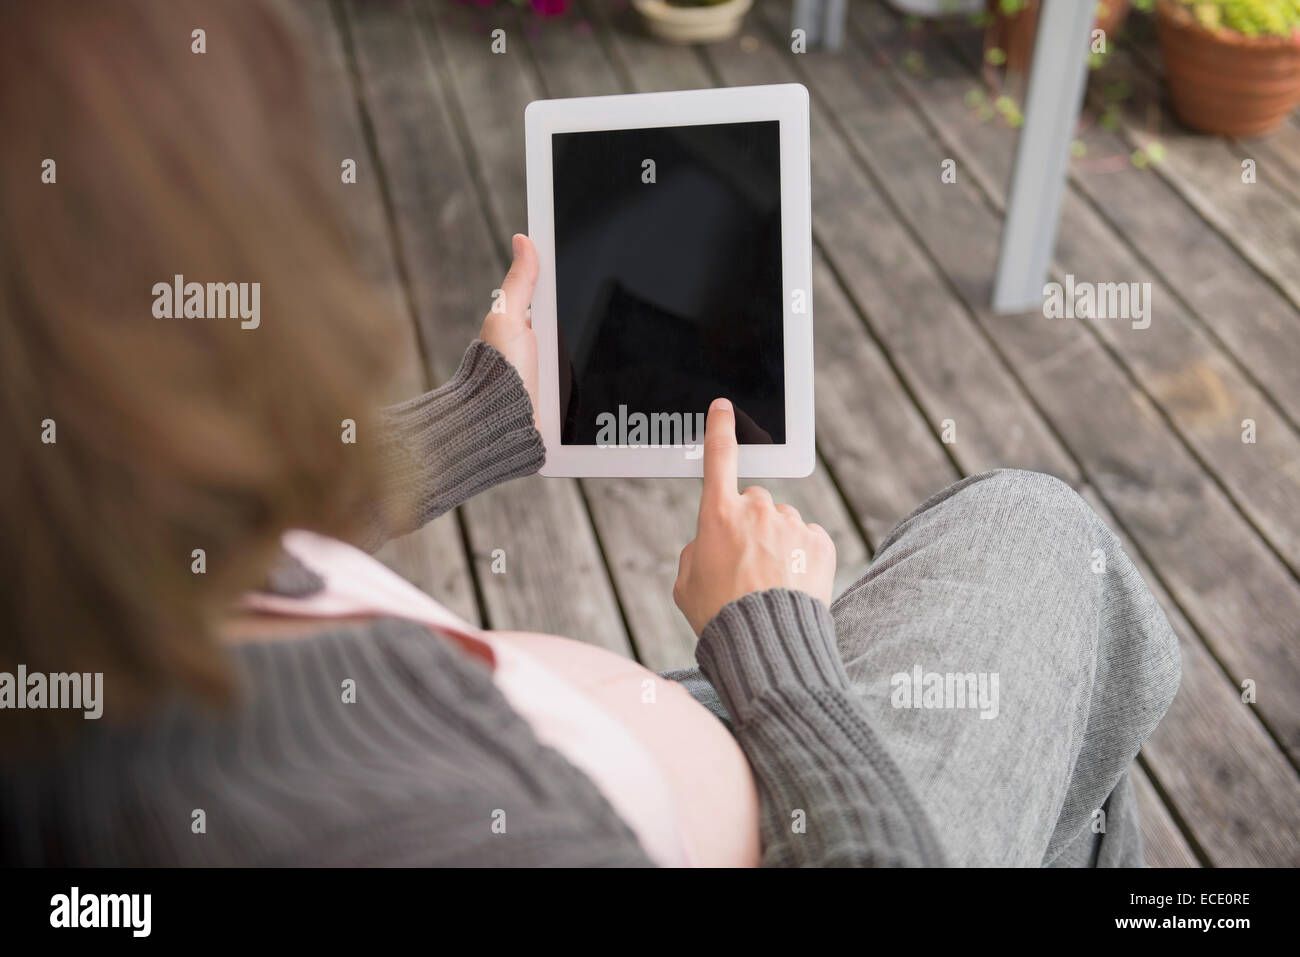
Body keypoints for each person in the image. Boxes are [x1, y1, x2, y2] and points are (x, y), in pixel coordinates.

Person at [0, 0, 1180, 867]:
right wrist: (766, 648)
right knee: (1041, 543)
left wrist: (485, 415)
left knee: (1061, 760)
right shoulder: (365, 827)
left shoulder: (62, 578)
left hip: (682, 733)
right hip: (821, 806)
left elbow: (154, 518)